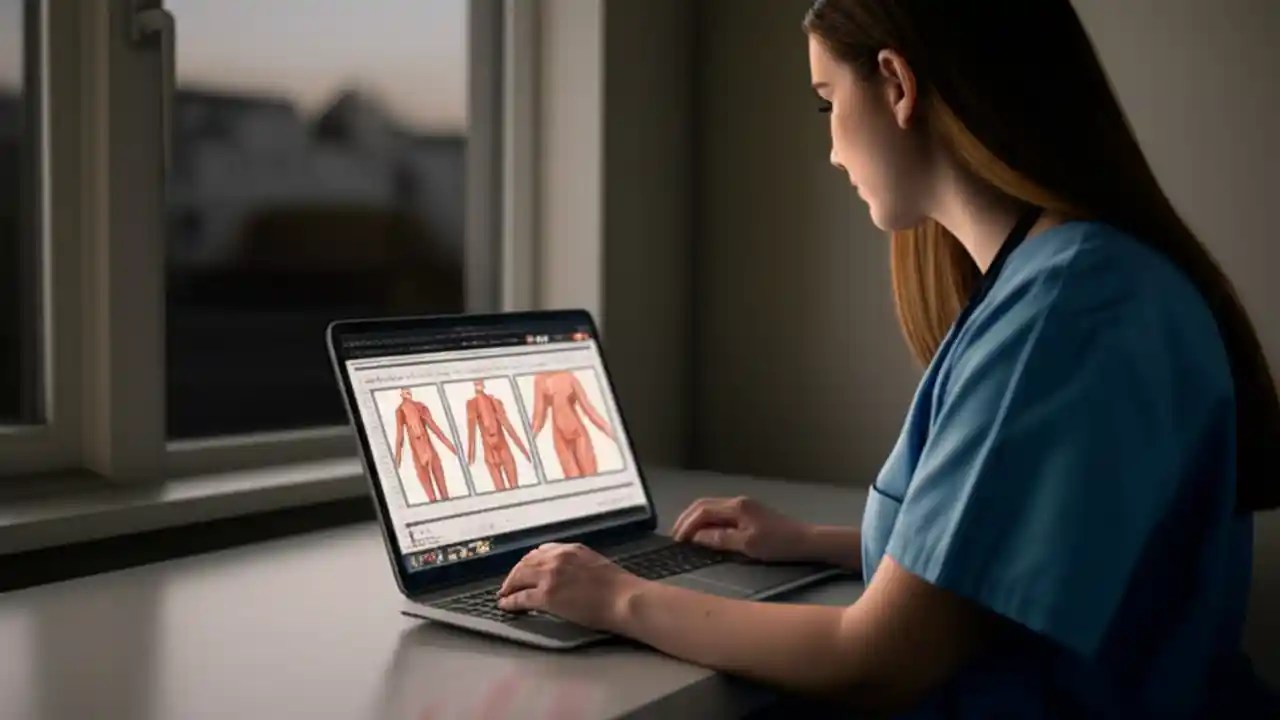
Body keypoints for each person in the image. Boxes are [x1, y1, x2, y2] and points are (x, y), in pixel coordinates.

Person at [496, 1, 1280, 716]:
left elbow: (877, 658)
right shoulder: (1079, 279)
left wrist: (618, 598)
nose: (832, 150)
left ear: (896, 83)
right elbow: (1019, 545)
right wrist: (816, 540)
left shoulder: (1066, 306)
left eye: (826, 102)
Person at [530, 371, 617, 478]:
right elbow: (539, 415)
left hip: (578, 432)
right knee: (573, 476)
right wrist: (530, 438)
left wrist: (610, 431)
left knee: (590, 473)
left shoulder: (569, 377)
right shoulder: (540, 380)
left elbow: (588, 409)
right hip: (560, 435)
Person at [393, 387, 459, 502]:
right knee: (443, 495)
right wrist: (452, 447)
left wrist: (397, 462)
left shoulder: (405, 409)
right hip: (427, 450)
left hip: (419, 452)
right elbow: (435, 429)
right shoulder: (414, 407)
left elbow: (400, 437)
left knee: (433, 498)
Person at [466, 380, 533, 491]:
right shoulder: (472, 404)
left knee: (514, 489)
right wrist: (470, 457)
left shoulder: (494, 401)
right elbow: (471, 430)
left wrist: (524, 451)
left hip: (502, 448)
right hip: (490, 450)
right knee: (503, 491)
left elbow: (507, 426)